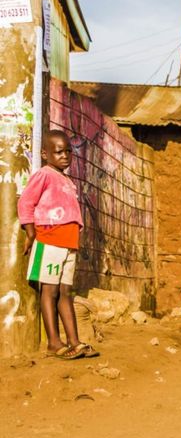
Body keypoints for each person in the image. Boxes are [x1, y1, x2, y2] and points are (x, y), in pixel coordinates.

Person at [17, 130, 99, 360]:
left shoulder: (67, 180)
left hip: (68, 245)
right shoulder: (44, 174)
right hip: (50, 241)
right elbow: (26, 202)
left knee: (65, 292)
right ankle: (54, 342)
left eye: (68, 151)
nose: (64, 156)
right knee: (49, 291)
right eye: (58, 151)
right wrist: (31, 232)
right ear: (45, 154)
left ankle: (74, 341)